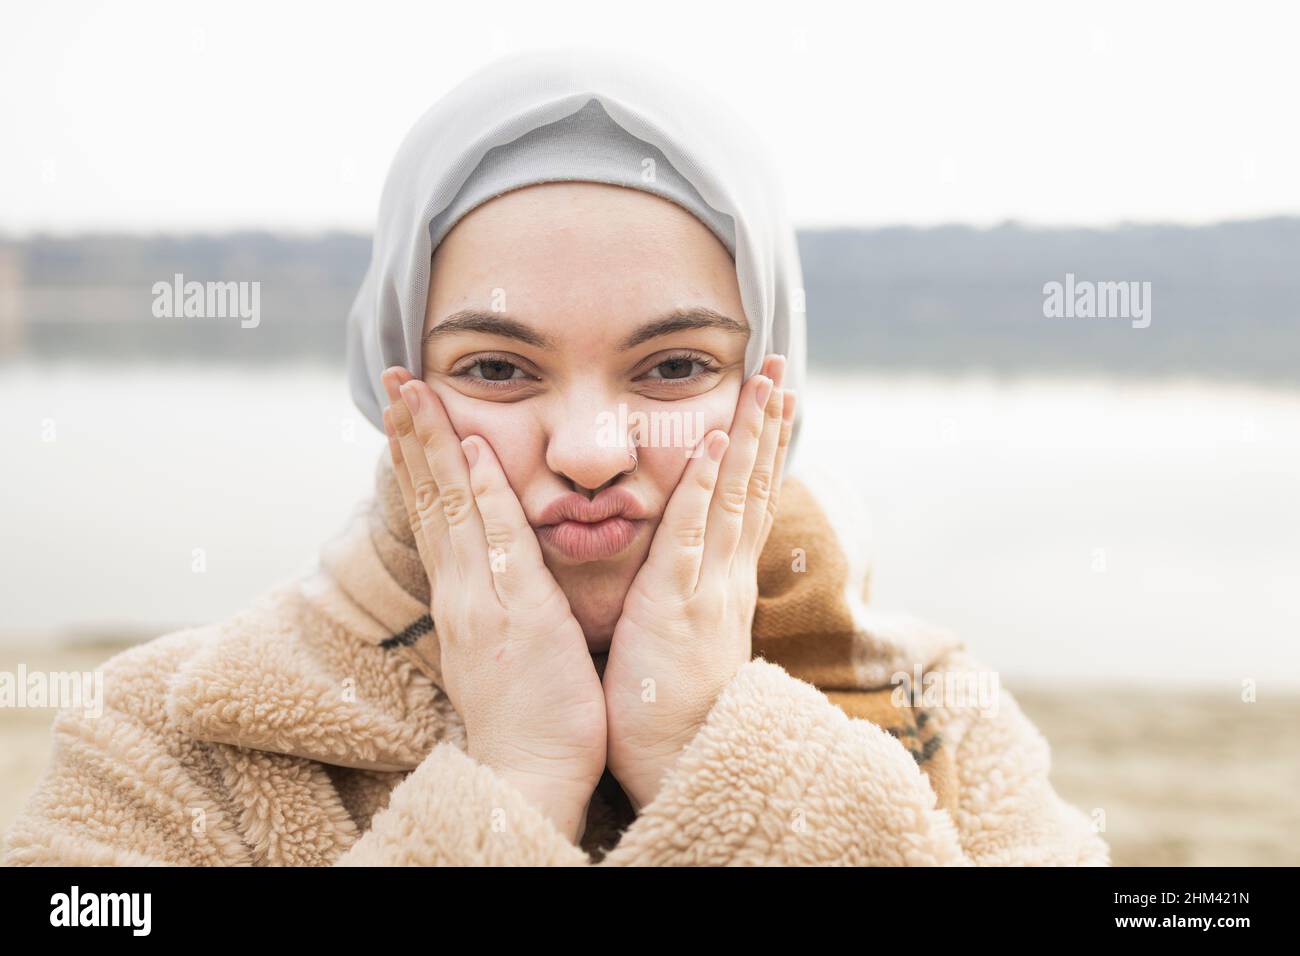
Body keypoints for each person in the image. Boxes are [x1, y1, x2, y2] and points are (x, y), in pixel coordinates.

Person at [3, 48, 1108, 866]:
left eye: (673, 367)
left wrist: (711, 754)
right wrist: (513, 783)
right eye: (496, 369)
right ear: (398, 387)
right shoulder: (163, 734)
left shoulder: (943, 718)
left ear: (769, 385)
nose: (587, 450)